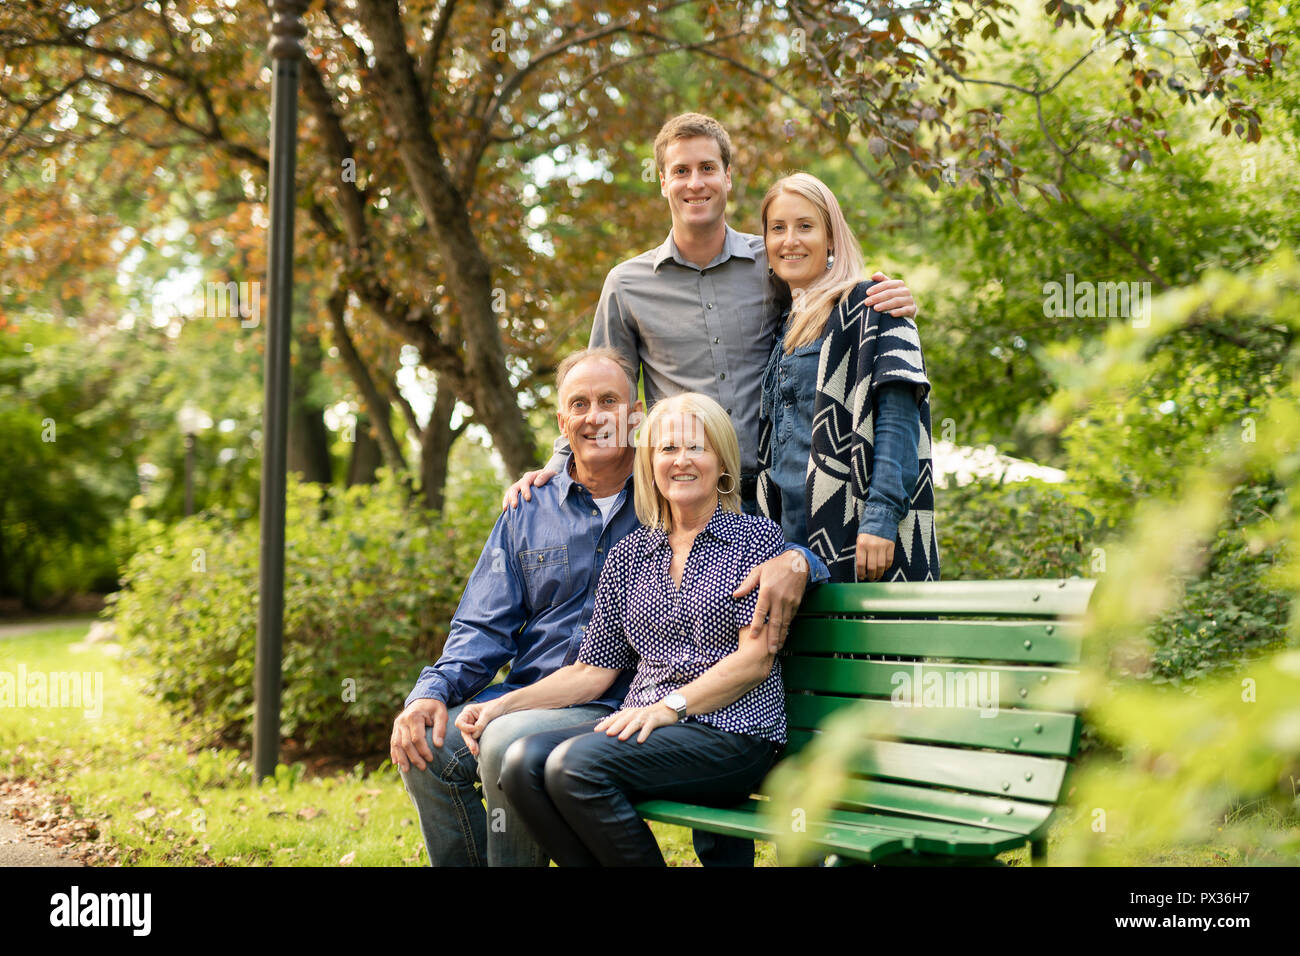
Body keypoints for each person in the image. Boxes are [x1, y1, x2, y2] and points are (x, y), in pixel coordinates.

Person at [458, 393, 787, 866]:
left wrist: (670, 708)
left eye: (696, 448)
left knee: (576, 768)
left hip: (733, 731)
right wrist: (500, 705)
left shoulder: (756, 540)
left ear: (722, 462)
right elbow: (592, 670)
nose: (681, 461)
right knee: (521, 763)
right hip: (643, 727)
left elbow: (755, 660)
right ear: (651, 465)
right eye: (667, 450)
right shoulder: (632, 553)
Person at [389, 348, 644, 866]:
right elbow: (483, 626)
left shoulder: (669, 495)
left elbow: (751, 536)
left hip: (621, 702)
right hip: (530, 694)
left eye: (609, 401)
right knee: (427, 750)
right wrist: (429, 693)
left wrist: (796, 562)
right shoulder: (528, 508)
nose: (594, 416)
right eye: (579, 403)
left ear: (635, 414)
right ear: (561, 421)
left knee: (504, 740)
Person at [757, 172, 939, 582]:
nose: (790, 240)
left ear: (831, 238)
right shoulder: (782, 326)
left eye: (805, 226)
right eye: (778, 229)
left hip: (853, 532)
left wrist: (881, 517)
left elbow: (898, 418)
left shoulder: (870, 305)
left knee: (868, 647)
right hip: (784, 538)